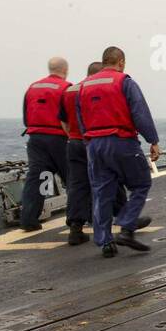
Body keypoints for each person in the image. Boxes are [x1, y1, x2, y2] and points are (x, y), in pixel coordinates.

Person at [76, 46, 160, 256]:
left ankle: (105, 242)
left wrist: (89, 141)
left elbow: (80, 117)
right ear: (120, 62)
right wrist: (153, 140)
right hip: (121, 141)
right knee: (141, 183)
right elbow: (140, 113)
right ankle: (127, 226)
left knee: (102, 193)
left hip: (94, 145)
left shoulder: (83, 86)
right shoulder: (125, 82)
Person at [60, 61, 128, 246]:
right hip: (97, 141)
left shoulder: (69, 91)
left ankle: (75, 228)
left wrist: (74, 136)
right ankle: (127, 217)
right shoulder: (103, 89)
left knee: (77, 185)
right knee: (112, 179)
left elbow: (63, 121)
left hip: (74, 142)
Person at [18, 57, 71, 232]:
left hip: (36, 140)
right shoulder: (66, 88)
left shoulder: (32, 88)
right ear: (65, 70)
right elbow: (70, 118)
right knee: (73, 179)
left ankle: (29, 219)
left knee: (39, 179)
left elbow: (26, 118)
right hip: (59, 140)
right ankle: (77, 219)